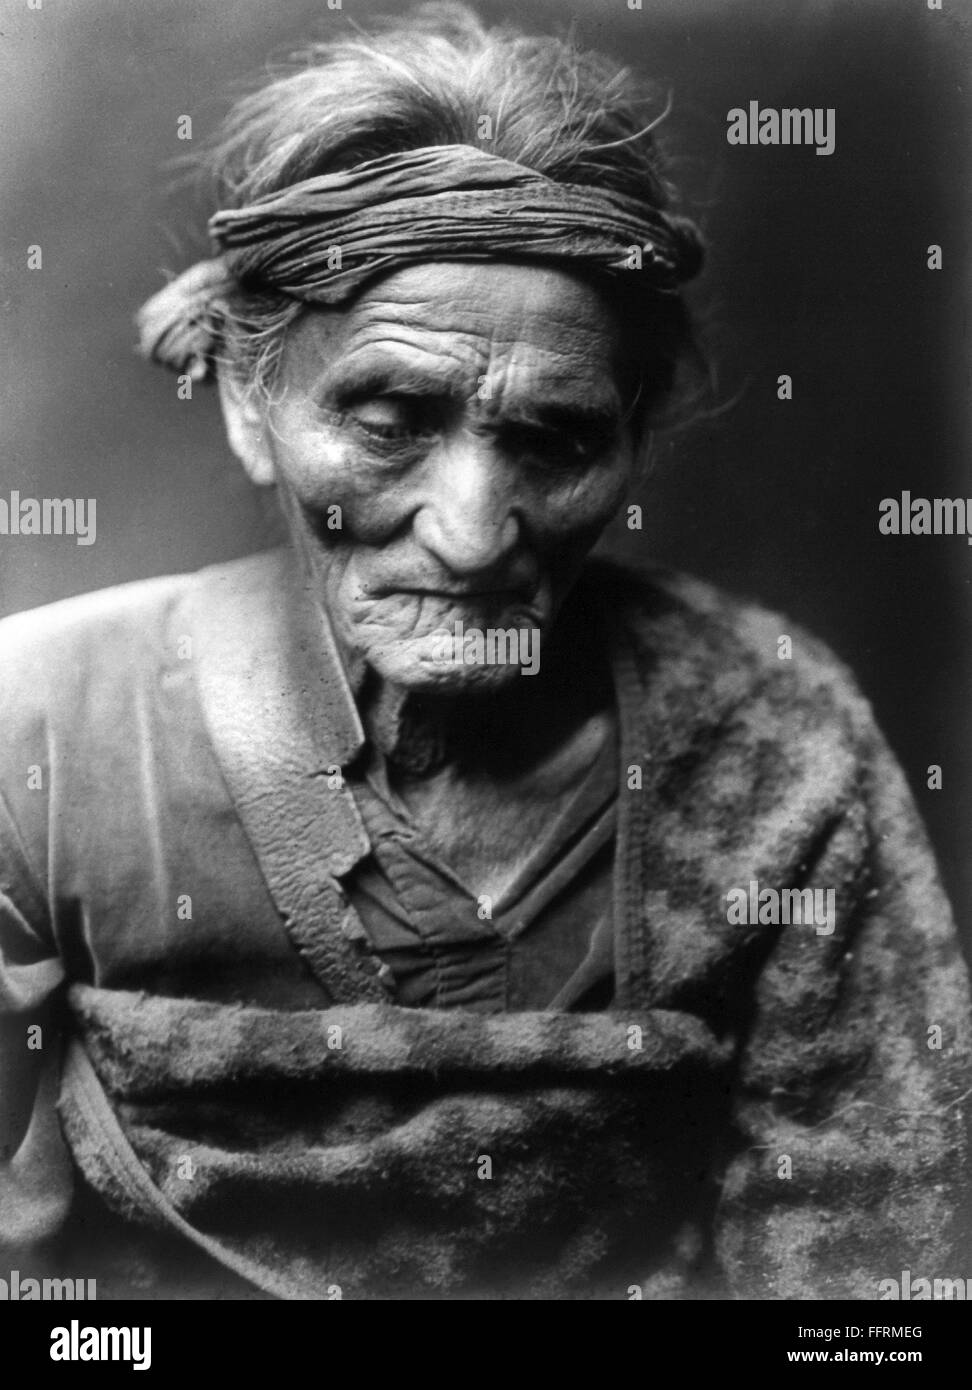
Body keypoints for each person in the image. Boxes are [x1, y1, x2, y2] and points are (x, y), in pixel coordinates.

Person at [0, 3, 968, 1300]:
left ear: (631, 439)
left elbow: (868, 1276)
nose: (471, 533)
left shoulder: (776, 740)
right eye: (393, 418)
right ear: (250, 397)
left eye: (556, 443)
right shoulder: (41, 732)